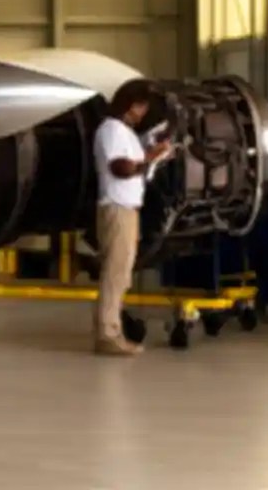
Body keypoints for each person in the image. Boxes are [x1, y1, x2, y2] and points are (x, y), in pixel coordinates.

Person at [91, 78, 171, 356]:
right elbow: (120, 168)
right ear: (131, 105)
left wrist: (153, 157)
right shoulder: (112, 130)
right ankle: (107, 335)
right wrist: (149, 158)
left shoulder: (125, 133)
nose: (142, 113)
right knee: (115, 274)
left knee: (121, 273)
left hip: (126, 209)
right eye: (141, 107)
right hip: (117, 208)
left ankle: (110, 330)